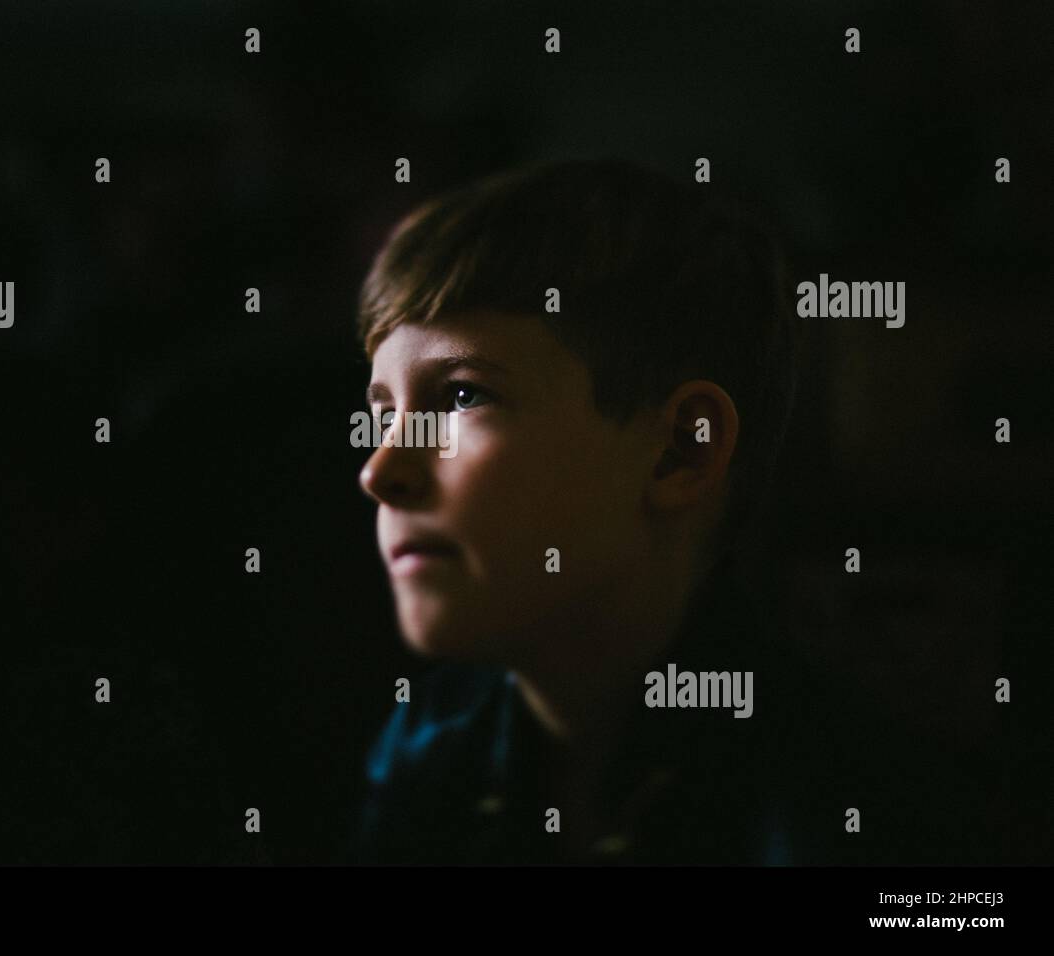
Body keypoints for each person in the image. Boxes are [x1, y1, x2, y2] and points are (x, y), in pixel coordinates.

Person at [349, 157, 994, 864]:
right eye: (384, 416)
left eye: (463, 396)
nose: (380, 471)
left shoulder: (856, 815)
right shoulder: (429, 739)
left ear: (682, 452)